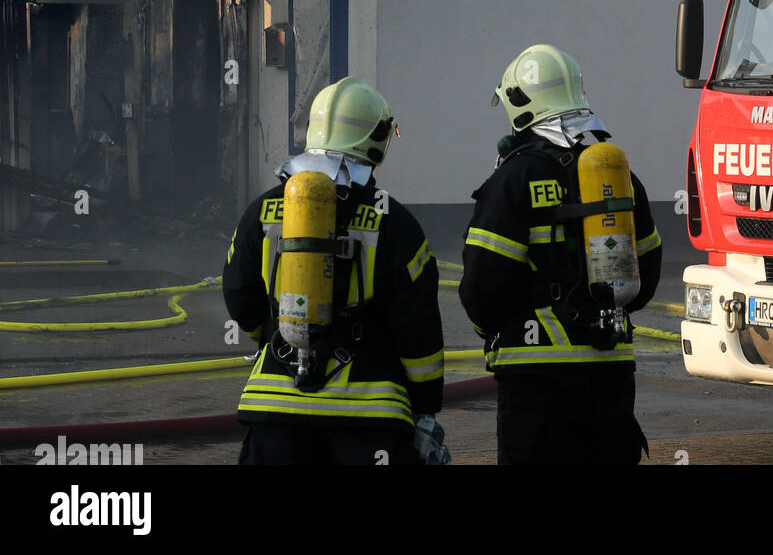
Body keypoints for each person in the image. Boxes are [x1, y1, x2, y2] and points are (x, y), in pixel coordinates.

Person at [222, 77, 446, 465]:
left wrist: (280, 333)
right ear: (376, 140)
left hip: (276, 408)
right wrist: (425, 403)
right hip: (368, 415)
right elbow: (418, 325)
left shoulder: (263, 210)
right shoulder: (396, 222)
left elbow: (239, 292)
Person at [459, 43, 662, 466]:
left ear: (520, 103)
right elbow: (646, 276)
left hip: (535, 380)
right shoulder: (617, 173)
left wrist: (490, 327)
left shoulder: (513, 179)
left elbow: (483, 286)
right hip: (611, 373)